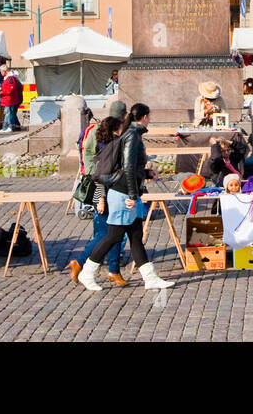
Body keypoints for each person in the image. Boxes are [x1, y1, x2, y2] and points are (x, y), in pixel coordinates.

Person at [75, 103, 174, 291]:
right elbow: (127, 167)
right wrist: (132, 194)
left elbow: (129, 167)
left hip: (124, 191)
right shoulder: (132, 136)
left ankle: (150, 277)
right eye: (149, 116)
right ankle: (87, 273)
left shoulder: (131, 134)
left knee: (135, 236)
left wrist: (145, 173)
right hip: (123, 194)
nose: (150, 119)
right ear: (144, 117)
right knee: (112, 236)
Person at [68, 104, 131, 288]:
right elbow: (100, 172)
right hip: (102, 190)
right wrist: (101, 197)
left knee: (114, 233)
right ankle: (80, 262)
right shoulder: (109, 140)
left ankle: (113, 270)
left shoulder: (111, 134)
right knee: (105, 234)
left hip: (111, 189)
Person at [0, 63, 23, 132]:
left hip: (9, 99)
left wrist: (2, 92)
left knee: (9, 114)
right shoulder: (8, 78)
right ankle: (5, 127)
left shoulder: (10, 78)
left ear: (4, 71)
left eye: (1, 71)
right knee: (8, 113)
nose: (0, 73)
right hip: (8, 99)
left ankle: (10, 127)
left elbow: (10, 89)